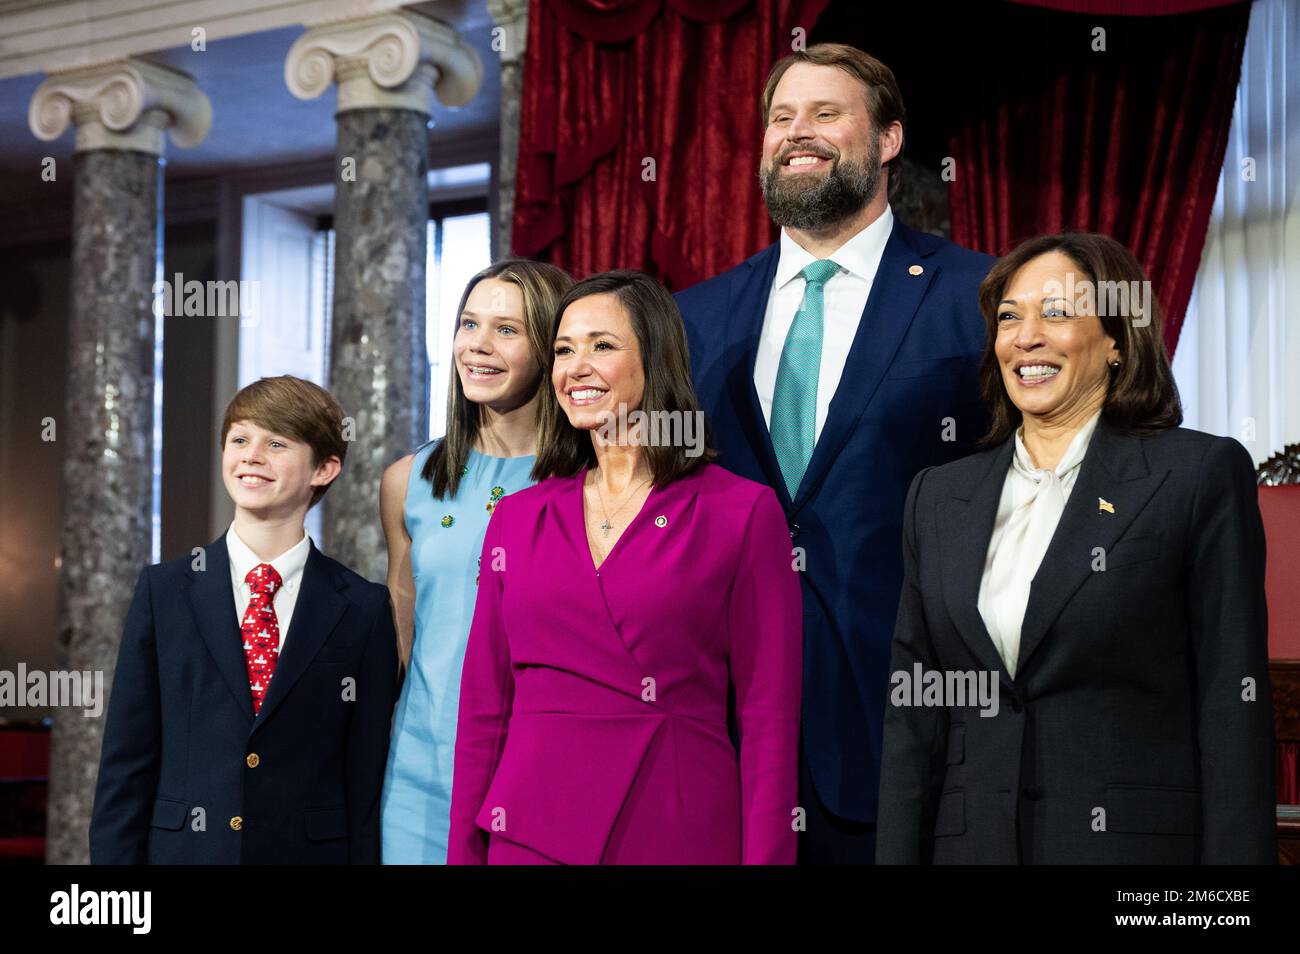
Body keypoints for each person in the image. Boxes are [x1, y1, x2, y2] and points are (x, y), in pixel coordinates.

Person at [675, 42, 993, 863]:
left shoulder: (981, 297)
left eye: (825, 114)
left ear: (888, 139)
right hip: (720, 730)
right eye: (782, 117)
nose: (797, 133)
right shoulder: (691, 318)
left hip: (912, 729)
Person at [876, 232, 1276, 864]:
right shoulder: (936, 496)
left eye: (1056, 313)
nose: (1026, 337)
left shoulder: (1197, 475)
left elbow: (1234, 707)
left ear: (1117, 340)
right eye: (1010, 318)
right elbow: (915, 718)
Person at [447, 270, 802, 864]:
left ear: (656, 360)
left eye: (601, 346)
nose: (575, 367)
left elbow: (769, 719)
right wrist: (464, 855)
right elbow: (484, 709)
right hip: (530, 833)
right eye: (563, 350)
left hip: (674, 824)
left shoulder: (740, 513)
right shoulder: (515, 519)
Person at [90, 376, 398, 864]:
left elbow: (365, 776)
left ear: (325, 468)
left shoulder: (362, 608)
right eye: (239, 440)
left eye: (276, 443)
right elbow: (126, 764)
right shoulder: (164, 592)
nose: (252, 455)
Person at [379, 259, 572, 864]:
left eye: (507, 330)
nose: (478, 345)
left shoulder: (589, 484)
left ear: (550, 348)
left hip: (541, 771)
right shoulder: (408, 480)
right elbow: (403, 637)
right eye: (469, 324)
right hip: (417, 777)